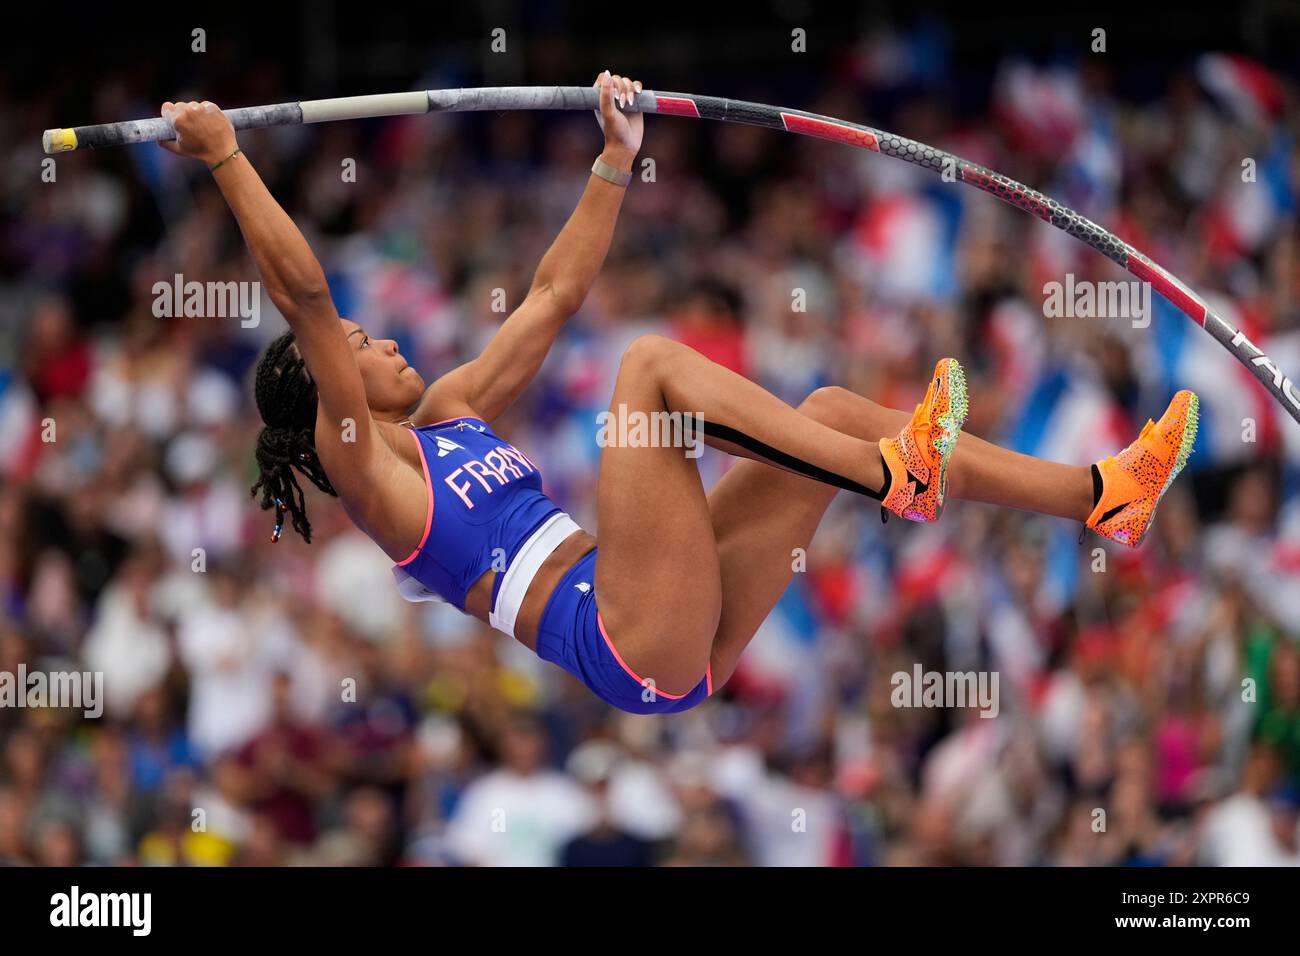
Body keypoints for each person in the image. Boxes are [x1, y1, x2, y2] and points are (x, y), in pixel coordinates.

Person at [157, 70, 1200, 716]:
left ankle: (1101, 493)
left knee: (829, 409)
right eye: (358, 345)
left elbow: (556, 294)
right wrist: (227, 159)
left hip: (661, 622)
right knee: (648, 367)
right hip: (622, 635)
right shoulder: (368, 471)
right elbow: (300, 288)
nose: (380, 341)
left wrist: (615, 163)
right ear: (332, 391)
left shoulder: (451, 411)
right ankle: (897, 474)